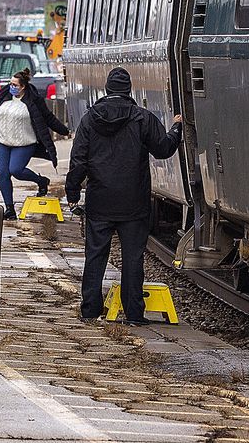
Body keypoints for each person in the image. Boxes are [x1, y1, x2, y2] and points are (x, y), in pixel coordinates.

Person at [66, 67, 182, 325]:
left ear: (106, 89)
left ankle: (89, 309)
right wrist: (176, 129)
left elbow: (78, 160)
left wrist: (72, 192)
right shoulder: (143, 118)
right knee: (133, 258)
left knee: (95, 255)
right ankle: (134, 314)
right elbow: (163, 149)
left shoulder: (89, 119)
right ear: (129, 90)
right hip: (134, 202)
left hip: (100, 200)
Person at [0, 68, 70, 220]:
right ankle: (9, 208)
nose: (11, 87)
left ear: (23, 86)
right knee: (3, 174)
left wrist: (65, 131)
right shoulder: (5, 97)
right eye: (10, 83)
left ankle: (41, 181)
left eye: (14, 84)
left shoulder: (33, 100)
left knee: (16, 170)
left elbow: (48, 118)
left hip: (25, 142)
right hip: (3, 142)